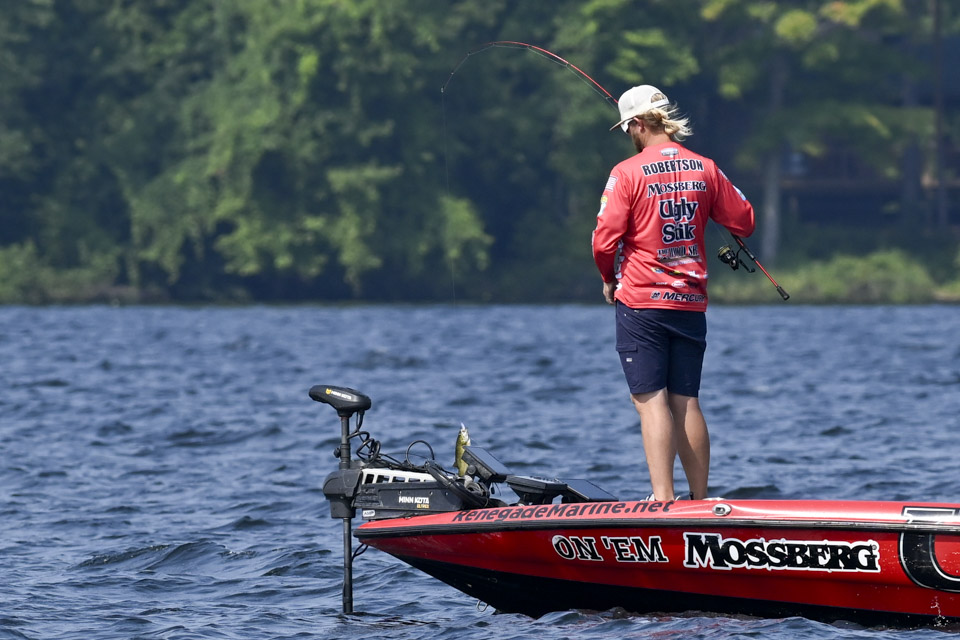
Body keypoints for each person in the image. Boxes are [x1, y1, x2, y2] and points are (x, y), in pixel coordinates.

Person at [591, 85, 755, 501]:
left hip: (641, 302)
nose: (629, 134)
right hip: (689, 301)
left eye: (628, 127)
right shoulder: (706, 168)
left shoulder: (625, 173)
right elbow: (744, 219)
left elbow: (603, 240)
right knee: (686, 400)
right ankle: (700, 500)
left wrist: (607, 277)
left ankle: (662, 499)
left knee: (650, 402)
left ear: (640, 124)